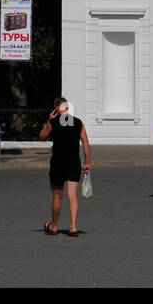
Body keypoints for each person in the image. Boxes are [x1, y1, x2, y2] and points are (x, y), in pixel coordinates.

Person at [40, 98, 91, 237]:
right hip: (74, 163)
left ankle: (54, 226)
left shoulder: (53, 122)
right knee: (72, 196)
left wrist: (49, 120)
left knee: (57, 196)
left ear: (56, 109)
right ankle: (73, 227)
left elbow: (42, 137)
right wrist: (87, 163)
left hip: (58, 163)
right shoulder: (78, 122)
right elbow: (86, 144)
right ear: (67, 108)